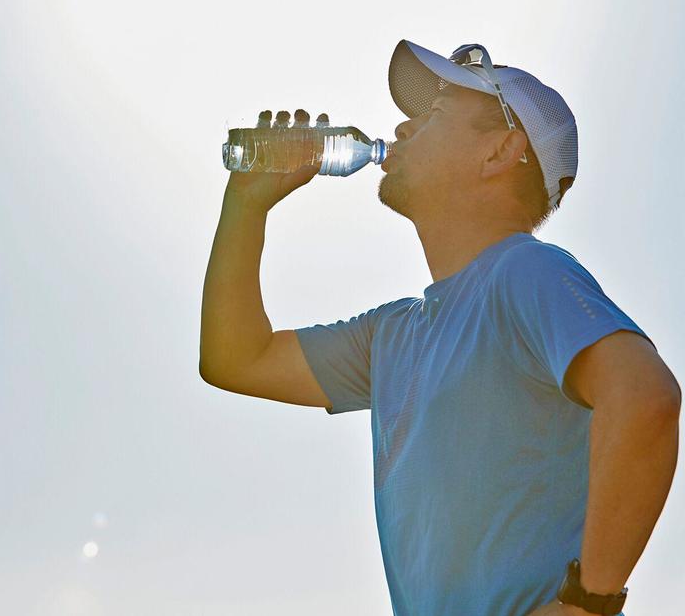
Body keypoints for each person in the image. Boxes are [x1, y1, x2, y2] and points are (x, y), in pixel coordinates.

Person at [199, 39, 680, 615]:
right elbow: (235, 359)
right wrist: (247, 206)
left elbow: (645, 398)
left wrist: (588, 604)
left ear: (500, 152)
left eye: (430, 116)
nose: (400, 130)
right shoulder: (392, 335)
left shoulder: (523, 271)